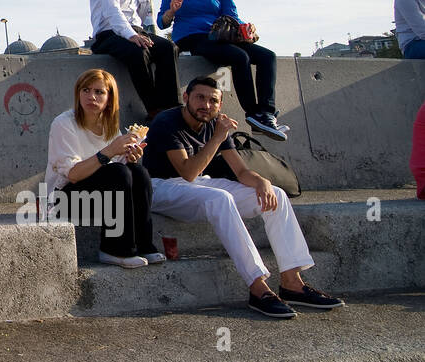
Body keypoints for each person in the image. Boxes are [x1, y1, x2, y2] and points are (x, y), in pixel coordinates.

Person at [145, 76, 344, 318]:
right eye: (200, 98)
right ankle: (258, 288)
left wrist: (262, 182)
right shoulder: (167, 121)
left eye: (213, 101)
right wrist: (218, 137)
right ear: (186, 98)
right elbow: (187, 172)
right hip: (161, 188)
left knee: (277, 195)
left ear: (219, 105)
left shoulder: (215, 123)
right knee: (220, 199)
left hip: (199, 185)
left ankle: (292, 282)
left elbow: (240, 171)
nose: (206, 105)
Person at [158, 0, 288, 141]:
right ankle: (252, 113)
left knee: (267, 56)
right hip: (191, 37)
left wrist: (246, 28)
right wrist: (171, 11)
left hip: (219, 36)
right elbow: (162, 22)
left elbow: (231, 16)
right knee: (239, 57)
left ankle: (266, 114)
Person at [44, 69, 161, 268]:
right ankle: (114, 249)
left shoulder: (109, 126)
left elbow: (117, 172)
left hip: (96, 196)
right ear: (78, 94)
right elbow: (73, 174)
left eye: (99, 92)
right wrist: (108, 152)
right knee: (118, 172)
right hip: (62, 199)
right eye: (86, 90)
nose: (91, 96)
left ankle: (143, 245)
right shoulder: (63, 123)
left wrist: (129, 158)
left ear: (110, 98)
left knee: (138, 171)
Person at [90, 0, 180, 119]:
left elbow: (143, 15)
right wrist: (130, 35)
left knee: (168, 48)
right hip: (110, 33)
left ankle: (171, 106)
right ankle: (154, 109)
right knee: (138, 51)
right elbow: (111, 10)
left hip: (134, 29)